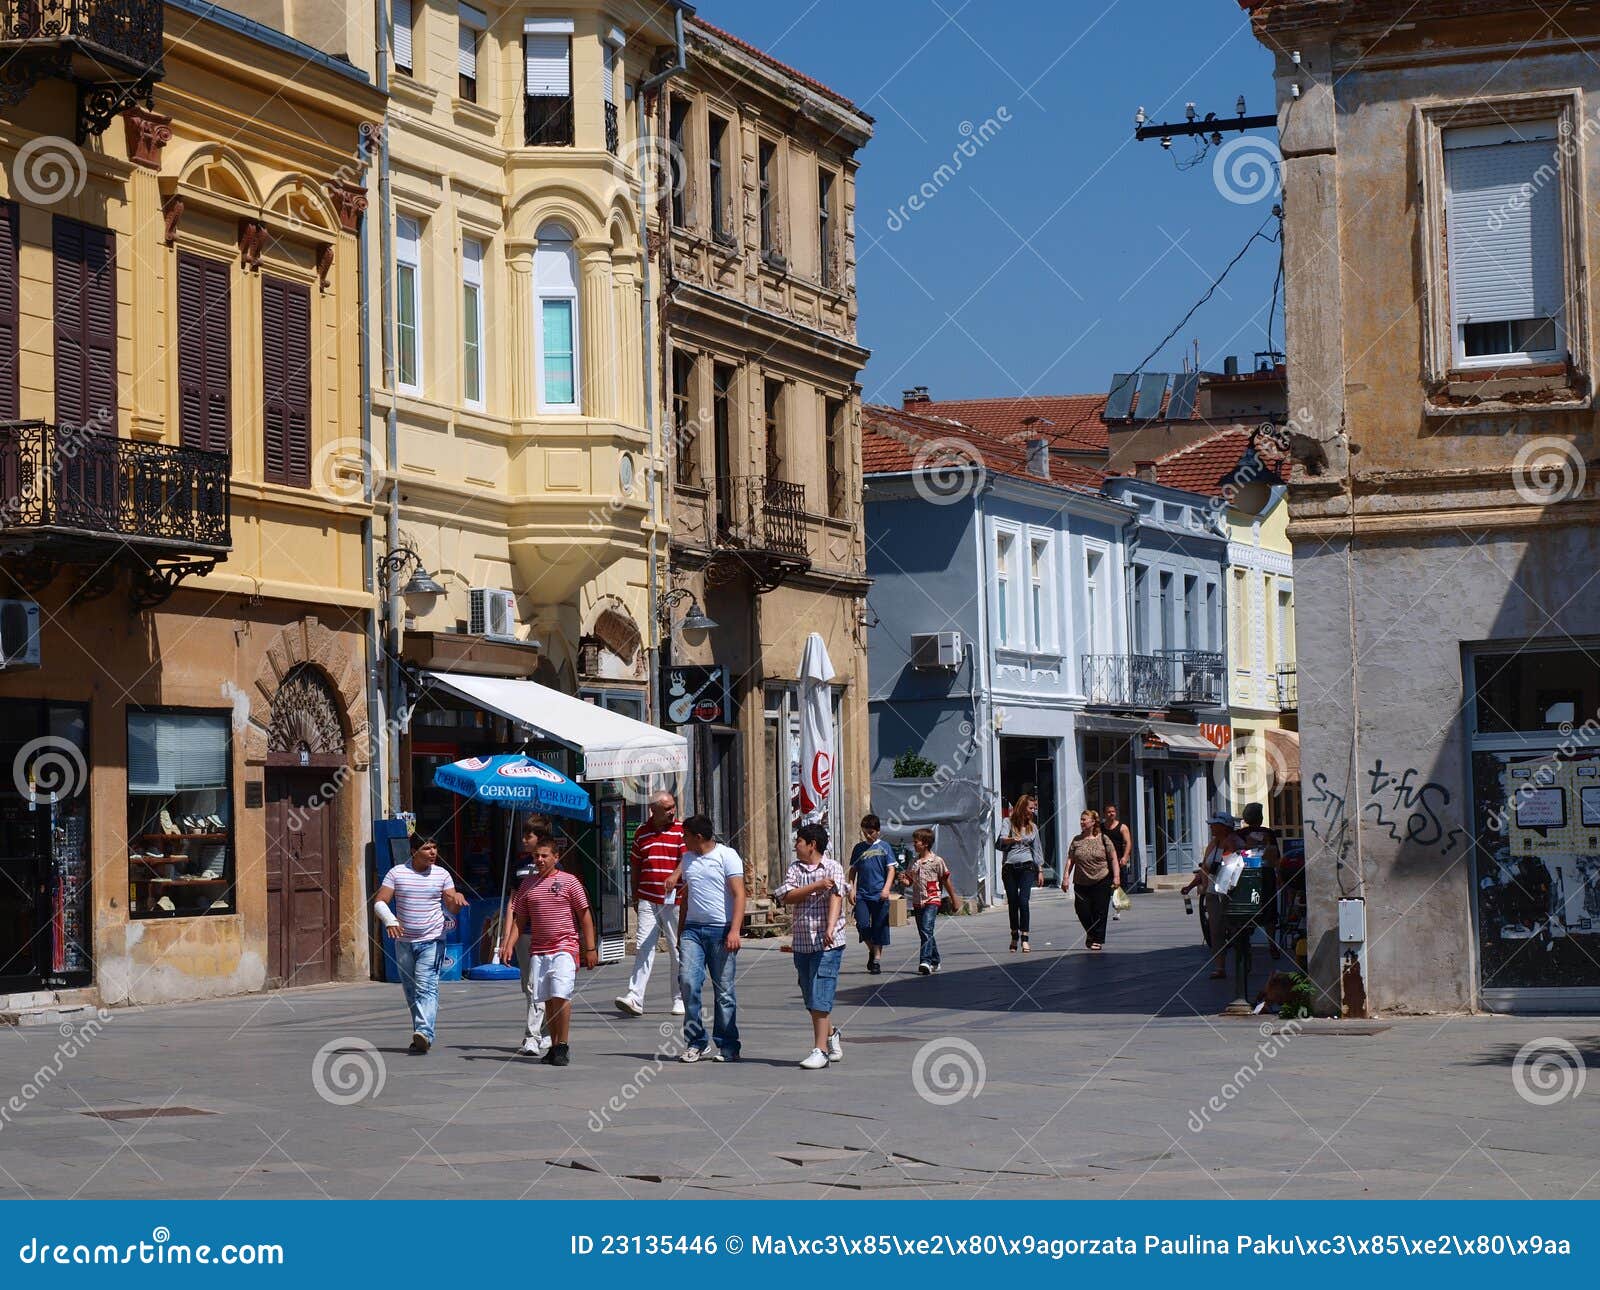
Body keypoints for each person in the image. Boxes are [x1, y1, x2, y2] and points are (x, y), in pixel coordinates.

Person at [497, 838, 598, 1067]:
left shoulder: (569, 882)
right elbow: (520, 920)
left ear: (556, 857)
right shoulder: (527, 885)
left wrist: (590, 948)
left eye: (544, 856)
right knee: (547, 999)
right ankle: (553, 1045)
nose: (540, 860)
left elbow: (584, 915)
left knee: (561, 995)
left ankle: (563, 1045)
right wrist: (509, 944)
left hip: (565, 947)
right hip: (539, 950)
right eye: (536, 856)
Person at [373, 835, 468, 1054]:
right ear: (414, 851)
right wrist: (390, 920)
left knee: (426, 986)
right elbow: (380, 901)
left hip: (432, 939)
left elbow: (451, 906)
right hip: (404, 941)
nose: (433, 852)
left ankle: (425, 1032)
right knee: (410, 989)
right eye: (427, 848)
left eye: (435, 848)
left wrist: (457, 900)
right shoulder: (397, 873)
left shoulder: (442, 874)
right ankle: (420, 1034)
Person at [775, 822, 848, 1069]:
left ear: (811, 845)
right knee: (810, 997)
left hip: (828, 942)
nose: (795, 845)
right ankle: (832, 1033)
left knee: (820, 993)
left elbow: (836, 898)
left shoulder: (833, 868)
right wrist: (816, 886)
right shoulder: (795, 869)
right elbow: (787, 896)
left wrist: (829, 927)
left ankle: (821, 1051)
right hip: (803, 942)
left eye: (799, 841)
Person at [674, 814, 746, 1062]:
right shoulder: (687, 859)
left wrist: (735, 930)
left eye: (685, 836)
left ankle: (728, 1044)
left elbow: (739, 895)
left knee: (724, 991)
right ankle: (696, 1041)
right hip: (693, 931)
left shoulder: (727, 856)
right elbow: (686, 897)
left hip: (721, 930)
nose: (683, 840)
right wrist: (681, 931)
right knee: (688, 982)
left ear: (699, 837)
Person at [615, 790, 686, 1017]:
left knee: (677, 949)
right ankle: (635, 997)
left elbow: (687, 859)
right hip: (647, 897)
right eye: (667, 808)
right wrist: (635, 895)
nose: (672, 811)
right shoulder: (641, 832)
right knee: (644, 946)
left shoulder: (681, 829)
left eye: (673, 806)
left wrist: (675, 876)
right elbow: (635, 865)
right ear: (653, 810)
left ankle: (679, 998)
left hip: (675, 899)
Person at [506, 820, 548, 1056]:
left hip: (544, 933)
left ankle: (533, 1036)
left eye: (528, 835)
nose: (523, 839)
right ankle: (544, 1029)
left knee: (536, 984)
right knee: (527, 984)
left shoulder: (552, 866)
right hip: (523, 933)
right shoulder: (520, 866)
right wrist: (507, 936)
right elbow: (512, 903)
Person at [899, 827, 957, 975]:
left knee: (926, 929)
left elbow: (946, 880)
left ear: (925, 844)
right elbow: (909, 882)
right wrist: (903, 880)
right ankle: (936, 960)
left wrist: (954, 899)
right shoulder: (914, 862)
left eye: (916, 841)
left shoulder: (937, 861)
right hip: (918, 901)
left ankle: (925, 961)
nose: (913, 844)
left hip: (933, 900)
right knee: (925, 932)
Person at [1198, 811, 1247, 979]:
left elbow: (1234, 866)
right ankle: (1220, 966)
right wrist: (1197, 884)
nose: (1211, 826)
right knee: (1216, 930)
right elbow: (1205, 866)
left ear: (1224, 826)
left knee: (1235, 928)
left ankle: (1243, 963)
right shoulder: (1213, 844)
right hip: (1213, 892)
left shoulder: (1235, 842)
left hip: (1231, 892)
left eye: (1214, 824)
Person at [1063, 810, 1120, 951]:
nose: (1082, 822)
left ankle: (1097, 939)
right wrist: (1065, 878)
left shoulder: (1103, 839)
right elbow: (1070, 859)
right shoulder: (1077, 840)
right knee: (1081, 910)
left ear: (1093, 822)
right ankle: (1091, 932)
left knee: (1100, 911)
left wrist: (1116, 877)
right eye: (1081, 819)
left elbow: (1113, 858)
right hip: (1081, 881)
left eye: (1084, 819)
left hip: (1101, 879)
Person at [846, 813, 896, 974]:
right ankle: (872, 949)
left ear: (878, 831)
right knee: (862, 924)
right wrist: (851, 888)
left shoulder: (885, 847)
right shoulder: (859, 848)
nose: (868, 835)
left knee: (879, 927)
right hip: (862, 894)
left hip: (880, 893)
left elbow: (891, 869)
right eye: (865, 832)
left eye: (871, 832)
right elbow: (853, 870)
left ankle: (876, 960)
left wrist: (886, 889)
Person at [996, 793, 1046, 953]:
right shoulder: (1008, 822)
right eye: (1031, 807)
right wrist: (1013, 839)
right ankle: (1013, 935)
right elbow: (1001, 840)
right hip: (1010, 866)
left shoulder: (1033, 827)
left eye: (1034, 808)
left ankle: (1025, 937)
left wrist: (1040, 870)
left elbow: (1037, 849)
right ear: (1023, 807)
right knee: (1013, 902)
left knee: (1023, 901)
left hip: (1027, 866)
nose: (1033, 811)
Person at [1238, 802, 1283, 961]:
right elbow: (1276, 857)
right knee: (1269, 909)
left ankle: (1246, 943)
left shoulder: (1240, 833)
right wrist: (1279, 875)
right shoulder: (1268, 833)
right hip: (1266, 873)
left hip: (1248, 873)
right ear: (1261, 817)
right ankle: (1272, 944)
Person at [1102, 804, 1136, 914]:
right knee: (1104, 886)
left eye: (1113, 811)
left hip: (1119, 861)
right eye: (1108, 812)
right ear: (1104, 814)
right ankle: (1103, 909)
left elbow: (1128, 842)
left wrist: (1125, 857)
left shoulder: (1122, 827)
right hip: (1104, 862)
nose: (1111, 814)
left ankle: (1117, 910)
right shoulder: (1101, 828)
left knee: (1118, 886)